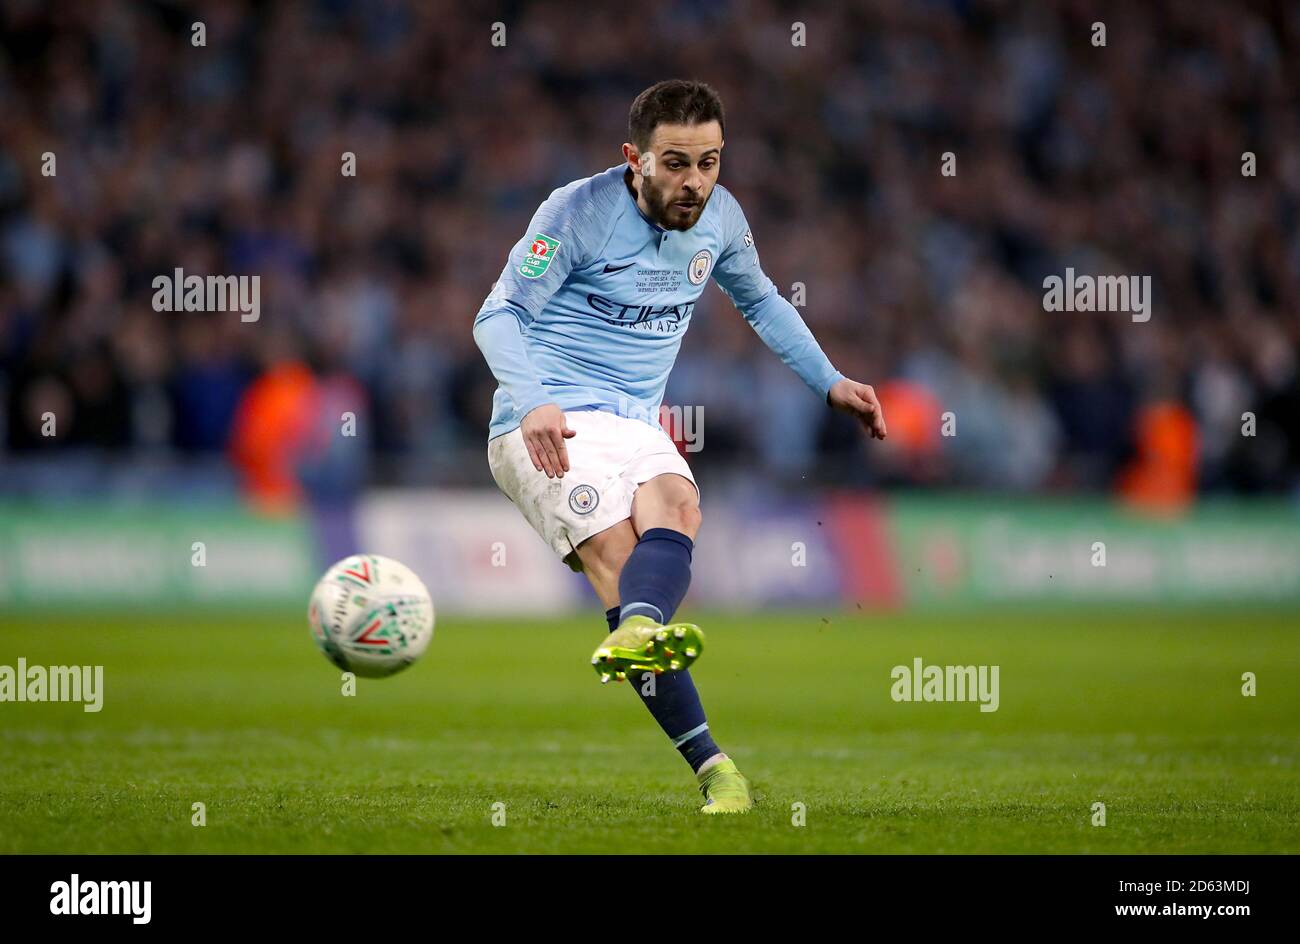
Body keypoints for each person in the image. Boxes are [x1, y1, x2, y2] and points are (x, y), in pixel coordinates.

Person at [472, 79, 887, 814]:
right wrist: (533, 399)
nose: (694, 182)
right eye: (675, 163)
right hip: (546, 423)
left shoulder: (721, 219)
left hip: (635, 423)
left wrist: (831, 381)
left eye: (709, 162)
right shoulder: (577, 212)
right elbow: (498, 313)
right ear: (634, 158)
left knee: (679, 505)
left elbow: (759, 298)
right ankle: (714, 768)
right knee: (617, 561)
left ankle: (638, 628)